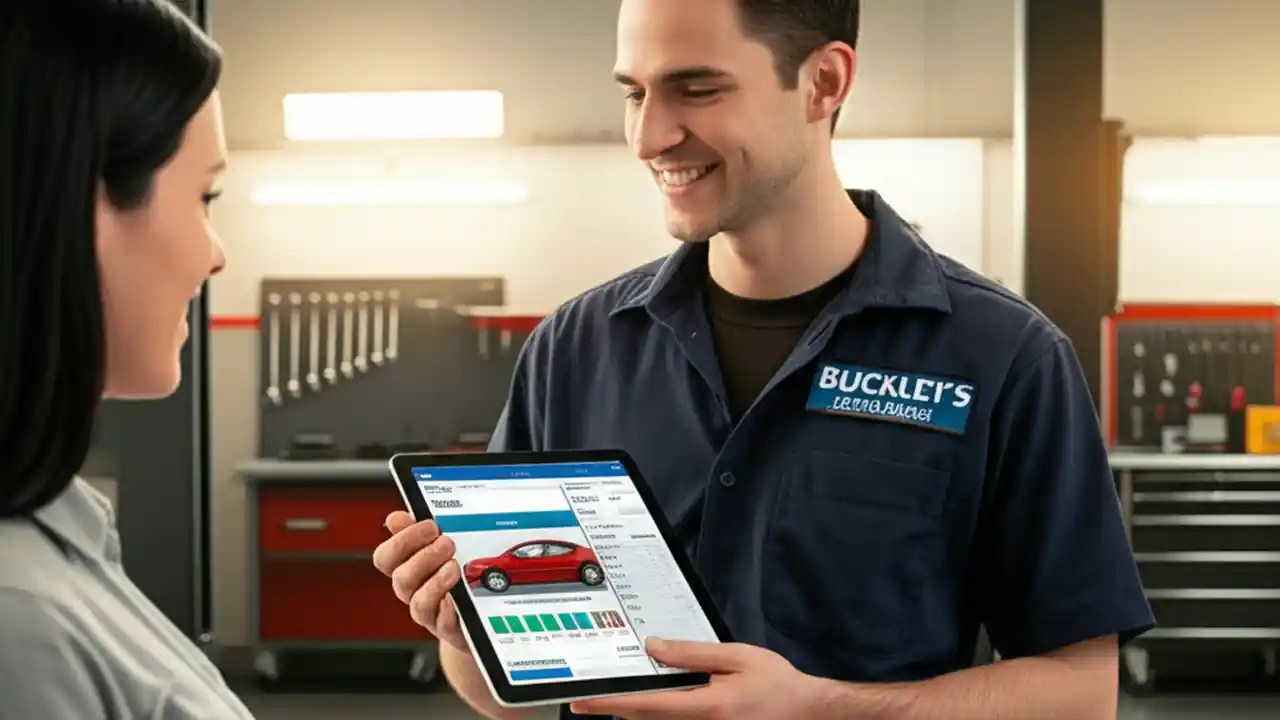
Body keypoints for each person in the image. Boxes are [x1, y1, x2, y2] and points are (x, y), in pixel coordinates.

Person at [373, 0, 1154, 718]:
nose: (649, 136)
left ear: (823, 81)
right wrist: (455, 626)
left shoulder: (1003, 357)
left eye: (697, 89)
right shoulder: (577, 348)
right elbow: (501, 688)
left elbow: (1078, 694)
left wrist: (819, 708)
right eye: (635, 93)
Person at [0, 1, 252, 717]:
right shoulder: (19, 627)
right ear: (80, 205)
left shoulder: (62, 536)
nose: (216, 252)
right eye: (206, 196)